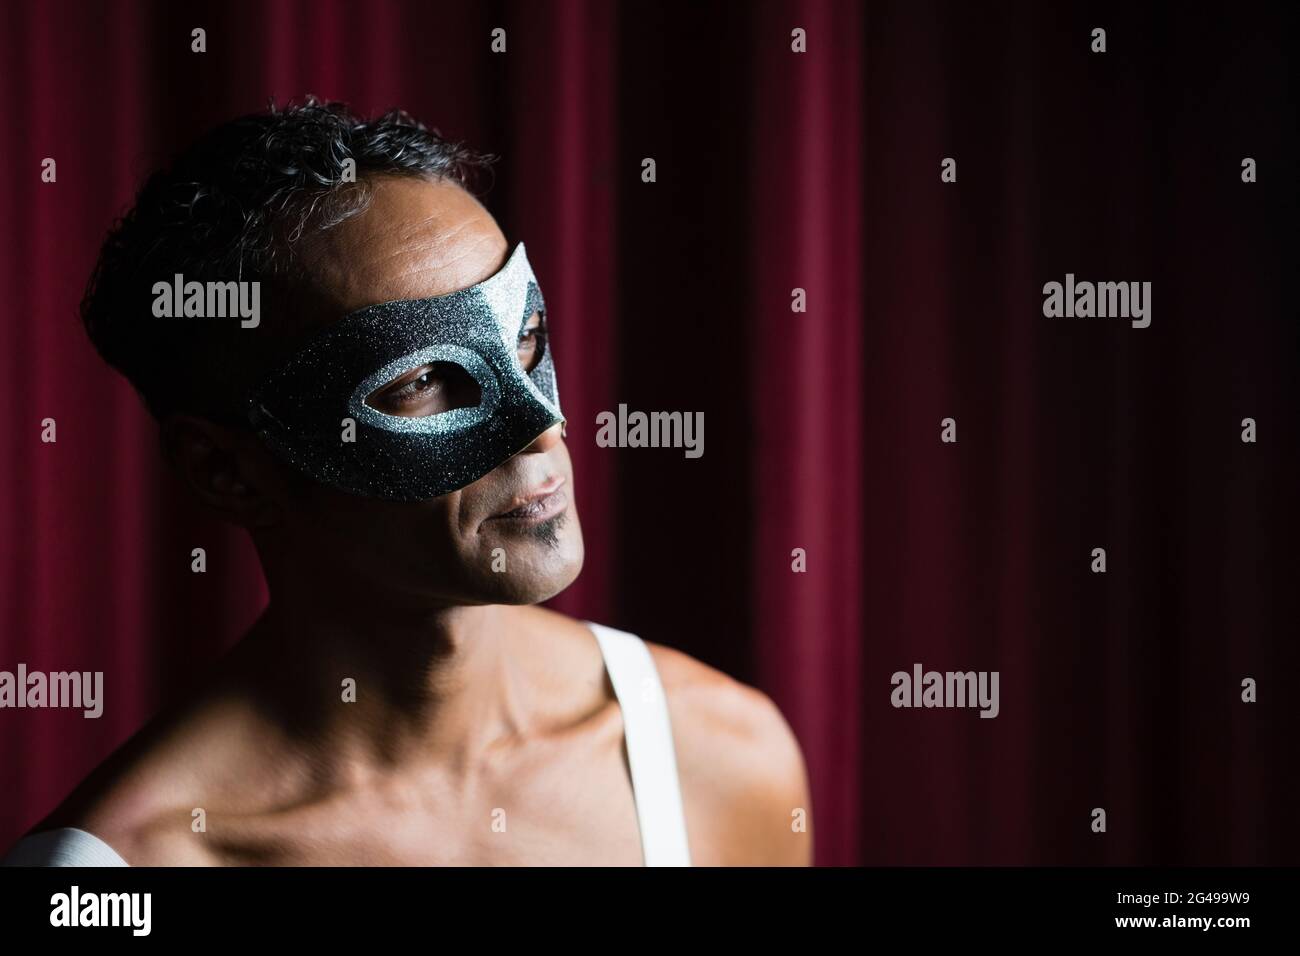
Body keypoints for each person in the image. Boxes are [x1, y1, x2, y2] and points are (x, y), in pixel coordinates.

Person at [2, 99, 812, 866]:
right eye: (423, 378)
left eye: (524, 333)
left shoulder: (716, 759)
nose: (540, 426)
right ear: (228, 472)